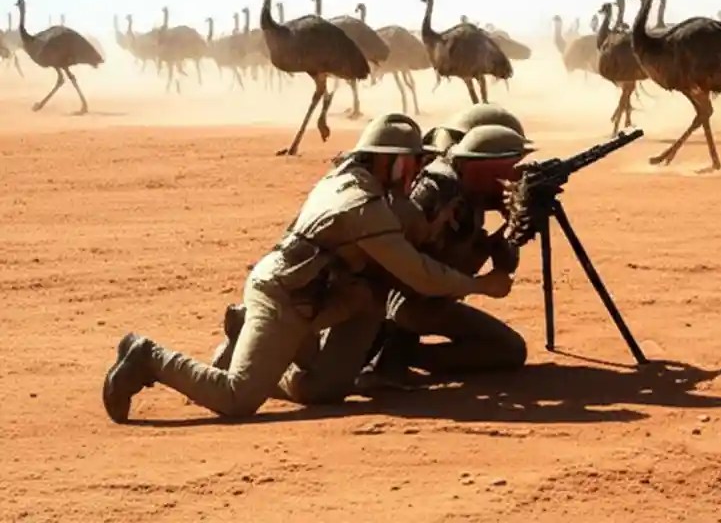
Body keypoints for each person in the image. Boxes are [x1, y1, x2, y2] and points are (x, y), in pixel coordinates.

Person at [101, 114, 513, 422]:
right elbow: (419, 273)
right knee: (237, 398)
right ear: (391, 163)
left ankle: (256, 354)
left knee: (327, 390)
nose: (416, 172)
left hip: (337, 298)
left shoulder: (355, 178)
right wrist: (480, 284)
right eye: (411, 164)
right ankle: (148, 357)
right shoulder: (363, 208)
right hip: (285, 296)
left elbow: (406, 217)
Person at [363, 120, 536, 386]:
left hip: (434, 297)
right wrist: (479, 282)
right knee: (507, 350)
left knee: (508, 350)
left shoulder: (471, 192)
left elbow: (494, 256)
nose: (517, 174)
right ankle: (386, 349)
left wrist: (512, 227)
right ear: (487, 167)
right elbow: (403, 259)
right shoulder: (437, 190)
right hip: (407, 302)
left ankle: (404, 355)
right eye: (513, 165)